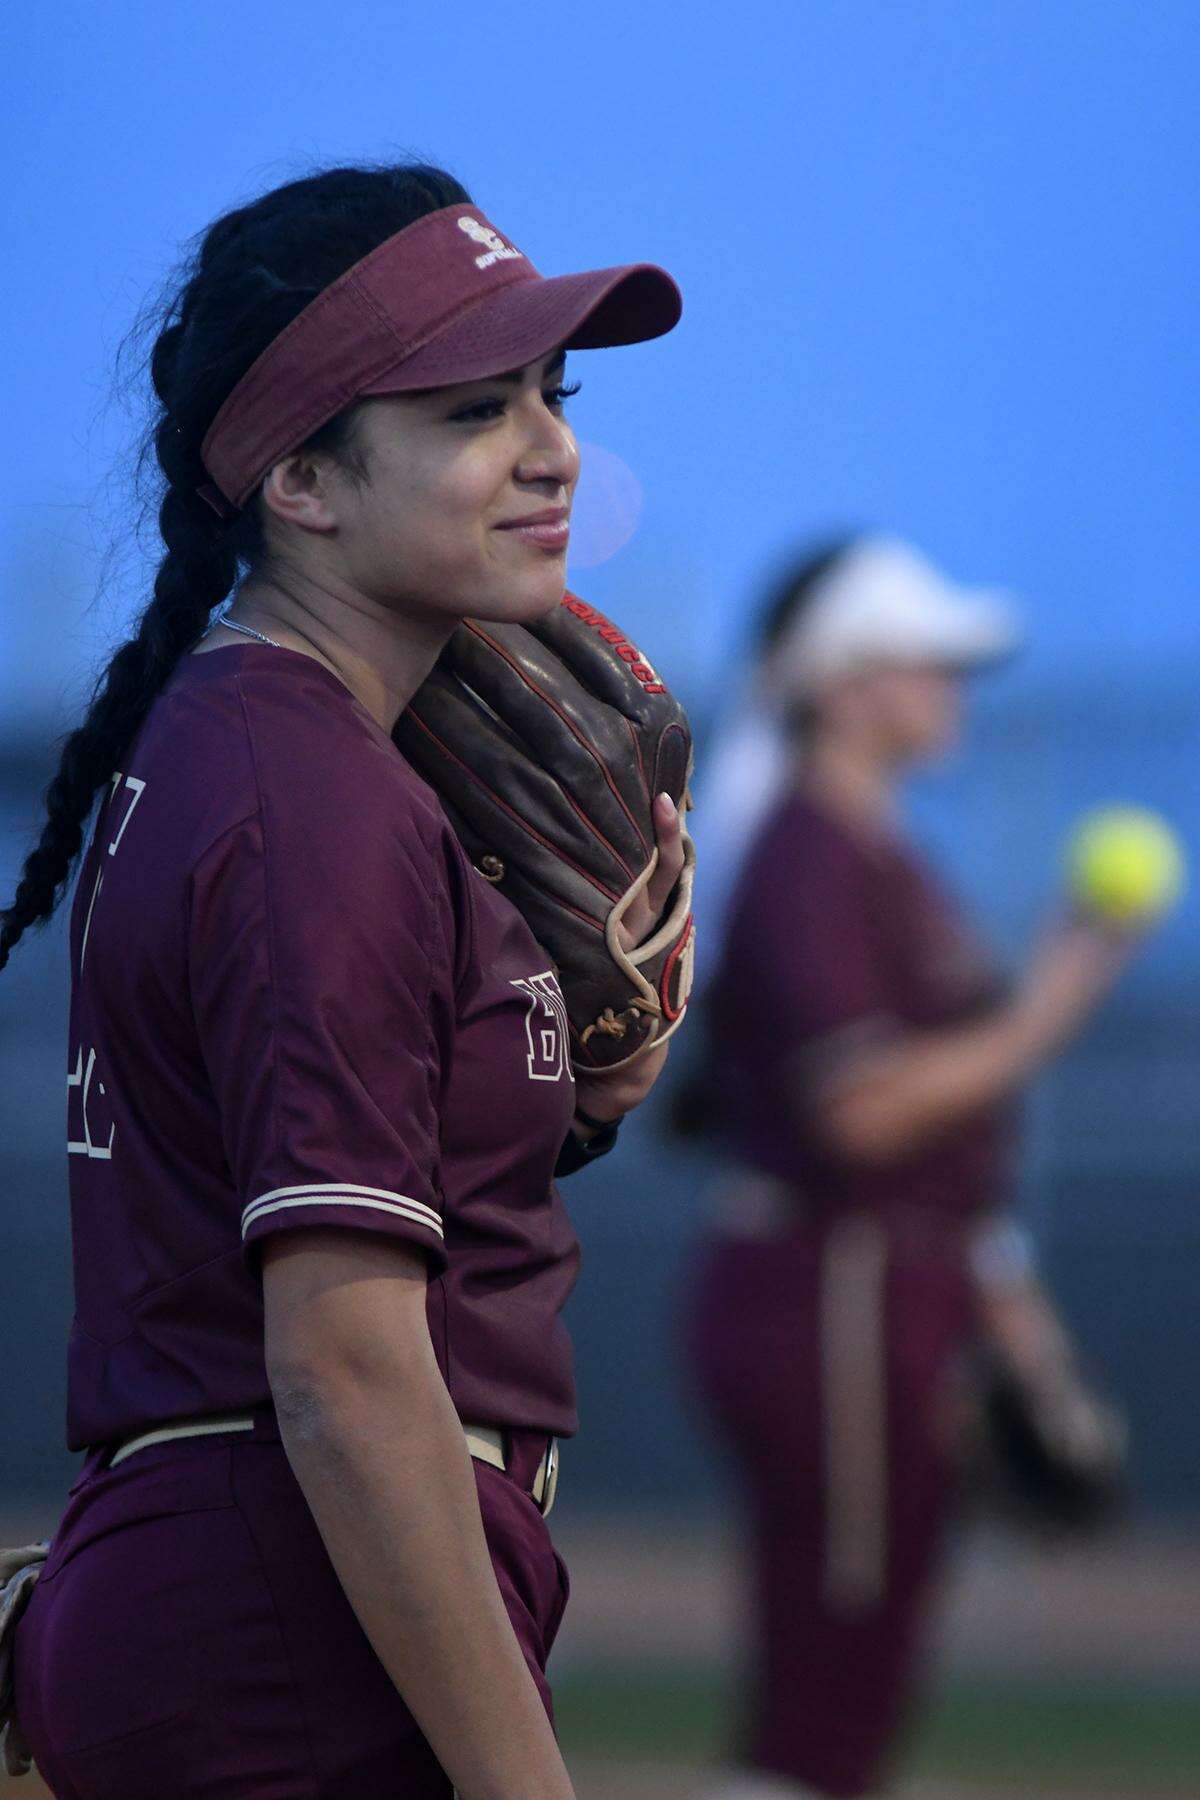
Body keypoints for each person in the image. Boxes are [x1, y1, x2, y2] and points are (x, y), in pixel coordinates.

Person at [2, 161, 684, 1798]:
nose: (550, 449)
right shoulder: (315, 803)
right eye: (470, 412)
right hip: (293, 1621)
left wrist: (586, 1091)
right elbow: (345, 1364)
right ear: (300, 477)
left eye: (550, 390)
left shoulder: (261, 753)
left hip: (252, 1597)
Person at [682, 537, 1141, 1800]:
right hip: (830, 1293)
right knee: (824, 1706)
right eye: (926, 663)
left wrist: (1016, 1321)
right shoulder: (808, 855)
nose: (953, 688)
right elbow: (864, 1116)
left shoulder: (878, 853)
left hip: (892, 1292)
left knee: (856, 1694)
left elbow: (944, 1160)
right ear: (842, 684)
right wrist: (1050, 1005)